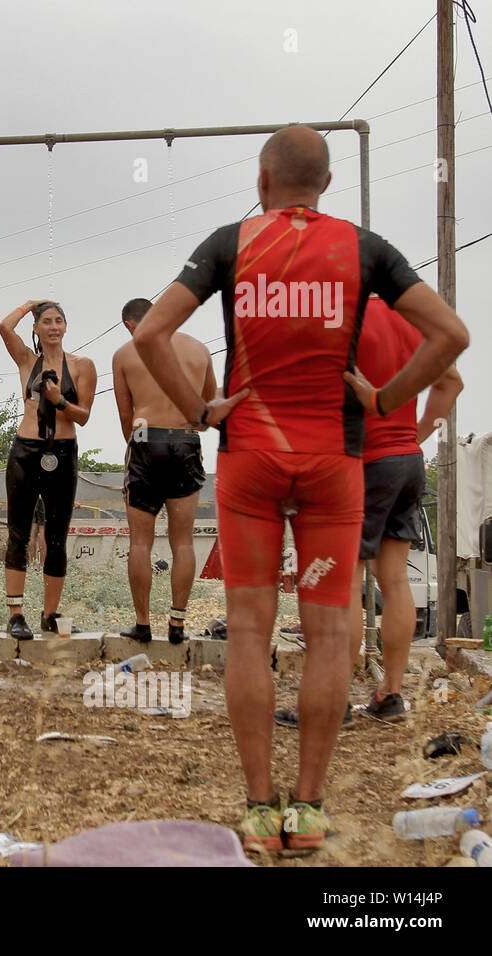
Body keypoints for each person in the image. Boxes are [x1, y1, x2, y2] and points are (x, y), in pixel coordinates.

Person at [134, 124, 468, 853]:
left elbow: (150, 336)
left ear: (262, 181)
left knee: (250, 633)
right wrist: (384, 401)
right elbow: (450, 337)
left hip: (252, 456)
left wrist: (198, 412)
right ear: (324, 183)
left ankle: (259, 808)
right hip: (331, 466)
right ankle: (306, 814)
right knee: (326, 634)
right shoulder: (363, 248)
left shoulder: (230, 242)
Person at [275, 297, 462, 729]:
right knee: (394, 579)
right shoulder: (409, 321)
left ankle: (333, 704)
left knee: (342, 585)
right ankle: (389, 696)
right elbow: (451, 381)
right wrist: (415, 432)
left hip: (361, 465)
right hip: (408, 462)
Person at [112, 296, 214, 644]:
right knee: (182, 540)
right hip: (185, 440)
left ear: (130, 324)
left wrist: (140, 443)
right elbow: (207, 412)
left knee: (141, 541)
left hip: (145, 439)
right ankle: (177, 624)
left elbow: (126, 417)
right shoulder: (198, 349)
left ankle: (142, 625)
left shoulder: (125, 353)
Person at [0, 299, 96, 640]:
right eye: (47, 322)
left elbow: (83, 416)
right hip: (25, 452)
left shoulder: (83, 365)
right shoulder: (27, 360)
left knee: (56, 537)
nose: (53, 327)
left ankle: (50, 614)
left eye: (59, 321)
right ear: (37, 329)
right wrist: (29, 305)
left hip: (63, 453)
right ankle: (15, 614)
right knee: (19, 534)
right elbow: (4, 328)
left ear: (66, 327)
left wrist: (59, 401)